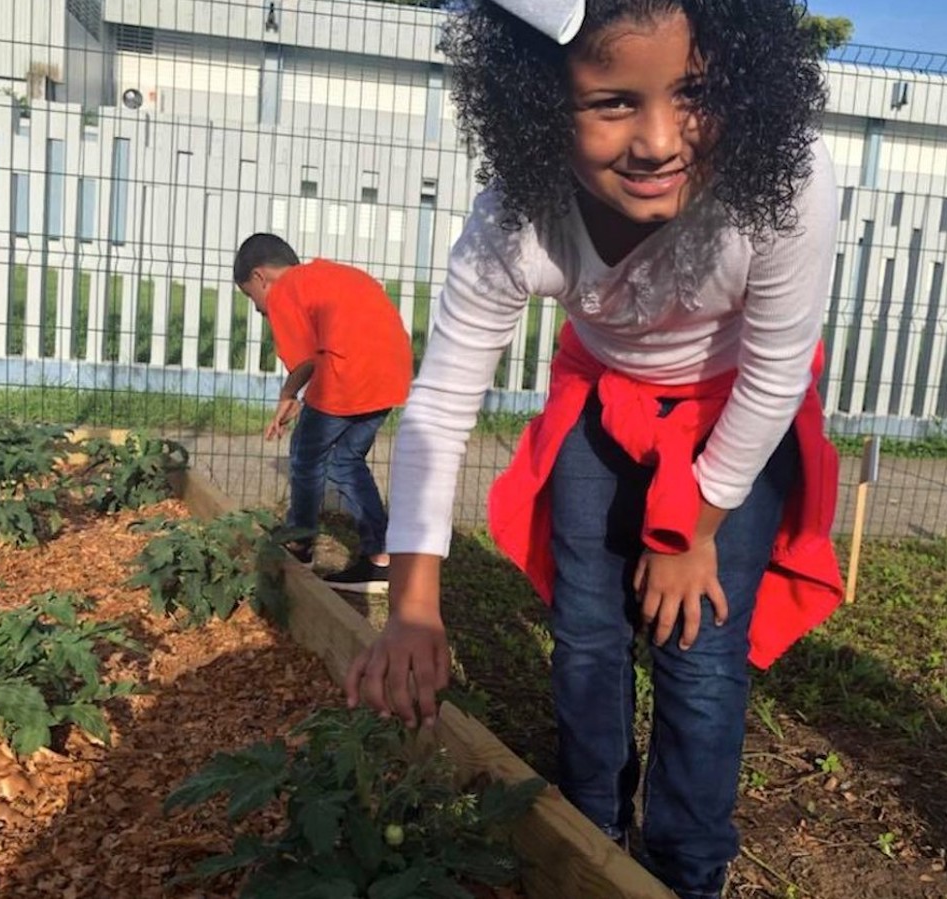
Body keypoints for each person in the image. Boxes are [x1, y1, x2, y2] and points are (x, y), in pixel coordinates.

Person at [344, 1, 845, 897]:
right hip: (601, 400)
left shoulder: (784, 186)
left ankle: (689, 869)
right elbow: (442, 403)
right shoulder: (517, 221)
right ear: (538, 104)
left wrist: (693, 528)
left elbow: (775, 378)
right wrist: (413, 605)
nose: (658, 140)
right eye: (612, 102)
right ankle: (587, 830)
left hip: (735, 414)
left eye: (693, 90)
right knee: (584, 634)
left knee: (698, 653)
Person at [234, 234, 413, 594]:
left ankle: (299, 543)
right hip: (391, 375)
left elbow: (304, 360)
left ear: (260, 277)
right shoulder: (334, 274)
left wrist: (288, 393)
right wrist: (299, 394)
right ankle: (381, 560)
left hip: (348, 376)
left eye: (254, 300)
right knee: (346, 461)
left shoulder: (285, 291)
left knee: (305, 455)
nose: (261, 311)